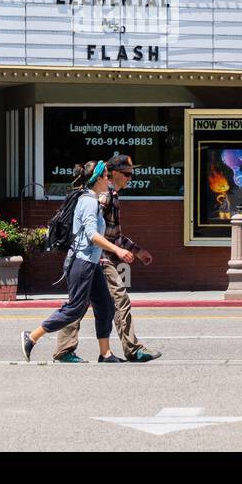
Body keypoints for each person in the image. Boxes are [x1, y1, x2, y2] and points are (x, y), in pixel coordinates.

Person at [22, 160, 133, 363]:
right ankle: (31, 337)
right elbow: (92, 235)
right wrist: (117, 249)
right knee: (75, 308)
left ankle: (105, 353)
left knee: (105, 305)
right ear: (98, 178)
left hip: (91, 262)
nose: (109, 180)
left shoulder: (92, 199)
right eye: (107, 176)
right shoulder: (89, 202)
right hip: (82, 262)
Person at [53, 153, 161, 363]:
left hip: (96, 257)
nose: (131, 178)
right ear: (113, 174)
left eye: (132, 174)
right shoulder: (104, 196)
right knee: (118, 300)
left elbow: (113, 234)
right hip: (96, 258)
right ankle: (131, 349)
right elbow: (92, 231)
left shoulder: (112, 194)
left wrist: (137, 251)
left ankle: (67, 349)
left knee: (81, 303)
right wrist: (105, 255)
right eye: (127, 174)